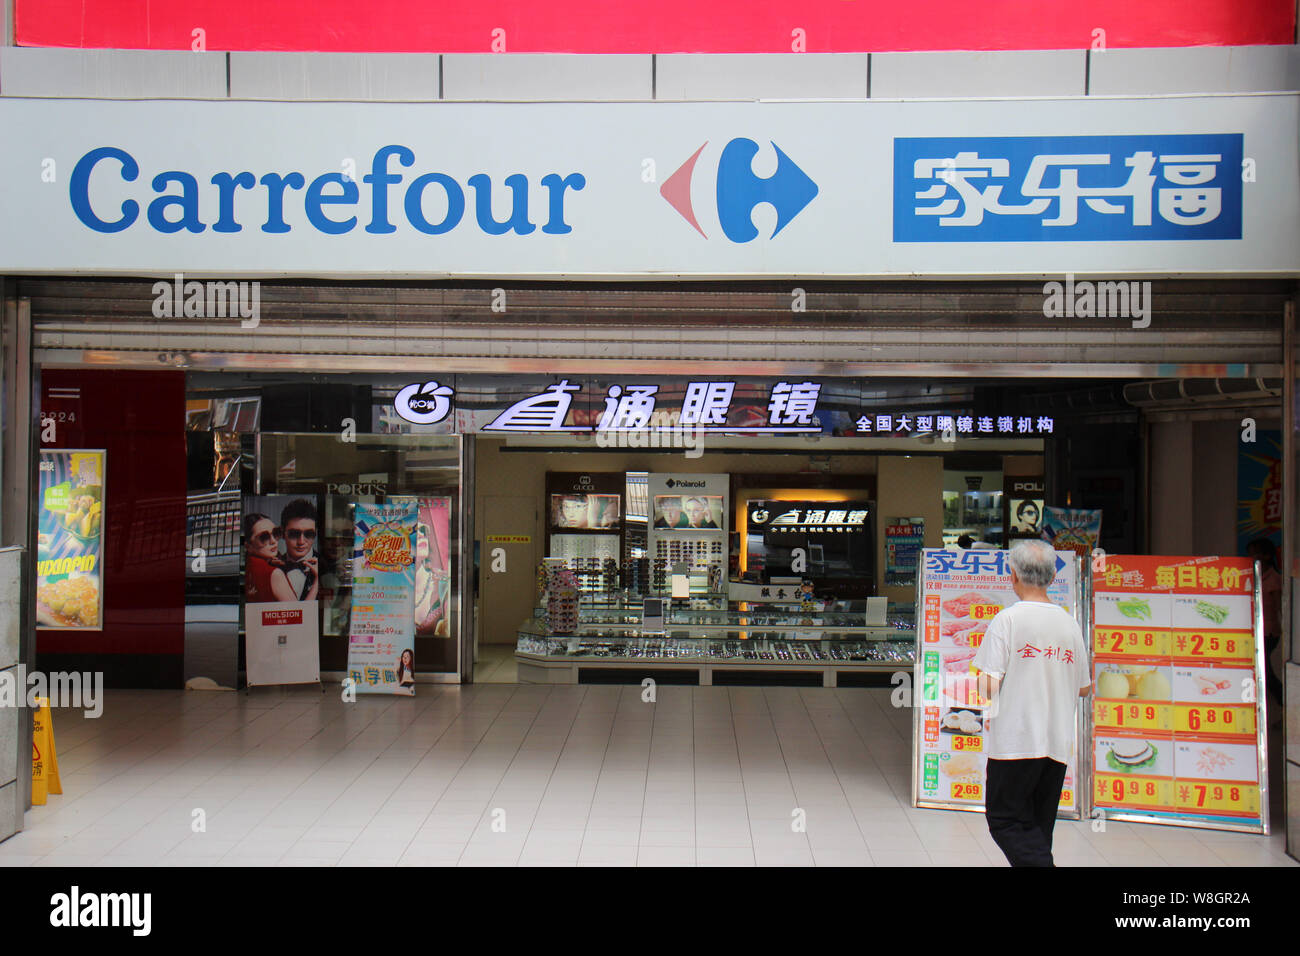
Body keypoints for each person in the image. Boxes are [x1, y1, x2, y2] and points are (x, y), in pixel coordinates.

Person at [972, 539, 1090, 867]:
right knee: (1037, 828)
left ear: (1013, 576)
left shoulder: (1007, 620)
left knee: (1005, 821)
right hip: (1055, 745)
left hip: (1016, 742)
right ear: (1053, 578)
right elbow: (1083, 688)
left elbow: (988, 686)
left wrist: (980, 675)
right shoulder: (1069, 624)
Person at [1247, 537, 1284, 709]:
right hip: (1255, 630)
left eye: (1256, 553)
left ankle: (1285, 704)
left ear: (1267, 556)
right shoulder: (1254, 576)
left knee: (1266, 673)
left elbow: (1279, 608)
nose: (1252, 557)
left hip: (1269, 631)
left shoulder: (1273, 579)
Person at [272, 498, 319, 602]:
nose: (301, 541)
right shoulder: (272, 567)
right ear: (282, 533)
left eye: (309, 534)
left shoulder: (326, 565)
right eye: (294, 534)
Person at [243, 512, 281, 602]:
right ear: (248, 546)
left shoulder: (251, 565)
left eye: (276, 533)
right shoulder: (274, 573)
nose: (273, 541)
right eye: (264, 537)